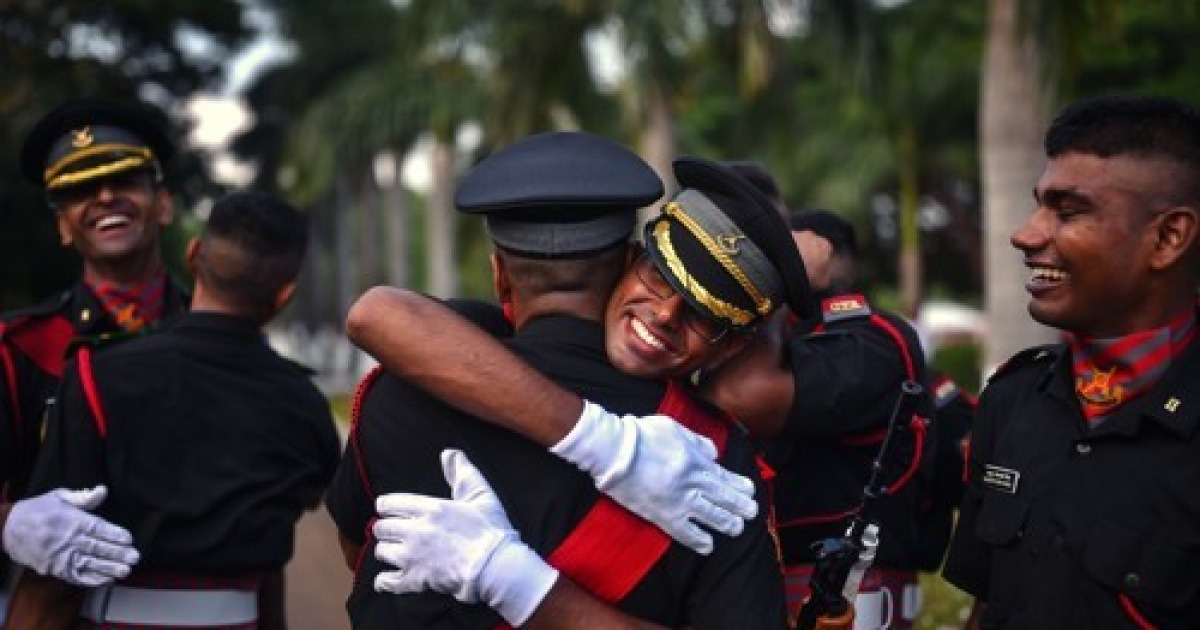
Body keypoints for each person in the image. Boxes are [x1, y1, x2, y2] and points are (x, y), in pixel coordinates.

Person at [328, 133, 814, 628]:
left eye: (703, 316)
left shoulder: (399, 389)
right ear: (629, 262)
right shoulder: (711, 461)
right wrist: (600, 445)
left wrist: (515, 582)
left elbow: (357, 548)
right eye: (661, 282)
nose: (666, 316)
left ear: (498, 274)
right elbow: (380, 314)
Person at [7, 191, 342, 629]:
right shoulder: (304, 404)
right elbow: (295, 527)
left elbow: (54, 565)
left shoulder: (97, 378)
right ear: (285, 295)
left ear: (193, 255)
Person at [942, 95, 1200, 629]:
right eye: (1039, 204)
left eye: (1068, 210)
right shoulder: (1011, 398)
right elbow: (988, 603)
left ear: (1169, 237)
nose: (1026, 234)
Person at [702, 208, 938, 628]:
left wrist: (777, 279)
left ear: (822, 256)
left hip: (847, 599)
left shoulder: (876, 338)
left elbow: (739, 397)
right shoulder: (767, 339)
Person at [0, 98, 189, 610]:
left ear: (164, 203)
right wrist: (9, 523)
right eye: (80, 190)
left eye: (125, 181)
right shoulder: (21, 347)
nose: (106, 197)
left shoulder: (218, 336)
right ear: (63, 226)